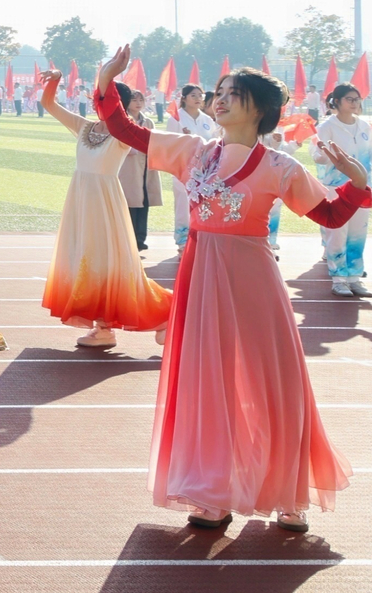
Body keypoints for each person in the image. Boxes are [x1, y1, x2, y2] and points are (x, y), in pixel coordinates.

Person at [93, 46, 360, 531]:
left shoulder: (280, 166)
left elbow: (328, 214)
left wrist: (359, 185)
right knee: (206, 382)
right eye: (219, 92)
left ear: (260, 109)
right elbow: (125, 130)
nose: (220, 99)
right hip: (200, 277)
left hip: (254, 280)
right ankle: (211, 490)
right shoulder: (192, 151)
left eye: (233, 94)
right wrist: (106, 80)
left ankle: (288, 491)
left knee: (272, 381)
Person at [35, 70, 173, 348]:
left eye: (102, 98)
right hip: (80, 201)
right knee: (85, 260)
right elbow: (48, 104)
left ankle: (156, 317)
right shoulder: (84, 126)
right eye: (96, 98)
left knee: (108, 264)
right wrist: (56, 79)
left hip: (105, 204)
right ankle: (106, 327)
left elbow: (158, 147)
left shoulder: (124, 133)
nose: (96, 102)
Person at [315, 82, 370, 294]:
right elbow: (317, 156)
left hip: (361, 187)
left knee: (358, 233)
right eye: (350, 99)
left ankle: (354, 277)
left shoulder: (364, 126)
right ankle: (339, 279)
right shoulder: (327, 127)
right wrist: (324, 153)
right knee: (337, 233)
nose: (355, 103)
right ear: (336, 101)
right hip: (336, 187)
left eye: (357, 99)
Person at [164, 84, 218, 246]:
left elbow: (215, 142)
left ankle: (200, 240)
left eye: (200, 96)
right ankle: (182, 241)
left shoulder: (207, 120)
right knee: (183, 204)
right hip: (182, 168)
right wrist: (184, 139)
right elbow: (169, 144)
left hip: (204, 170)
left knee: (203, 204)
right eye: (193, 95)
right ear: (184, 98)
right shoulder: (176, 119)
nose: (198, 99)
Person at [117, 89, 163, 254]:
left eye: (141, 100)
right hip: (129, 166)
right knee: (131, 202)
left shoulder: (148, 122)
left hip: (146, 165)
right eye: (134, 100)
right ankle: (130, 239)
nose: (138, 103)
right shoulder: (123, 120)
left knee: (144, 202)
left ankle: (140, 238)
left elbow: (155, 140)